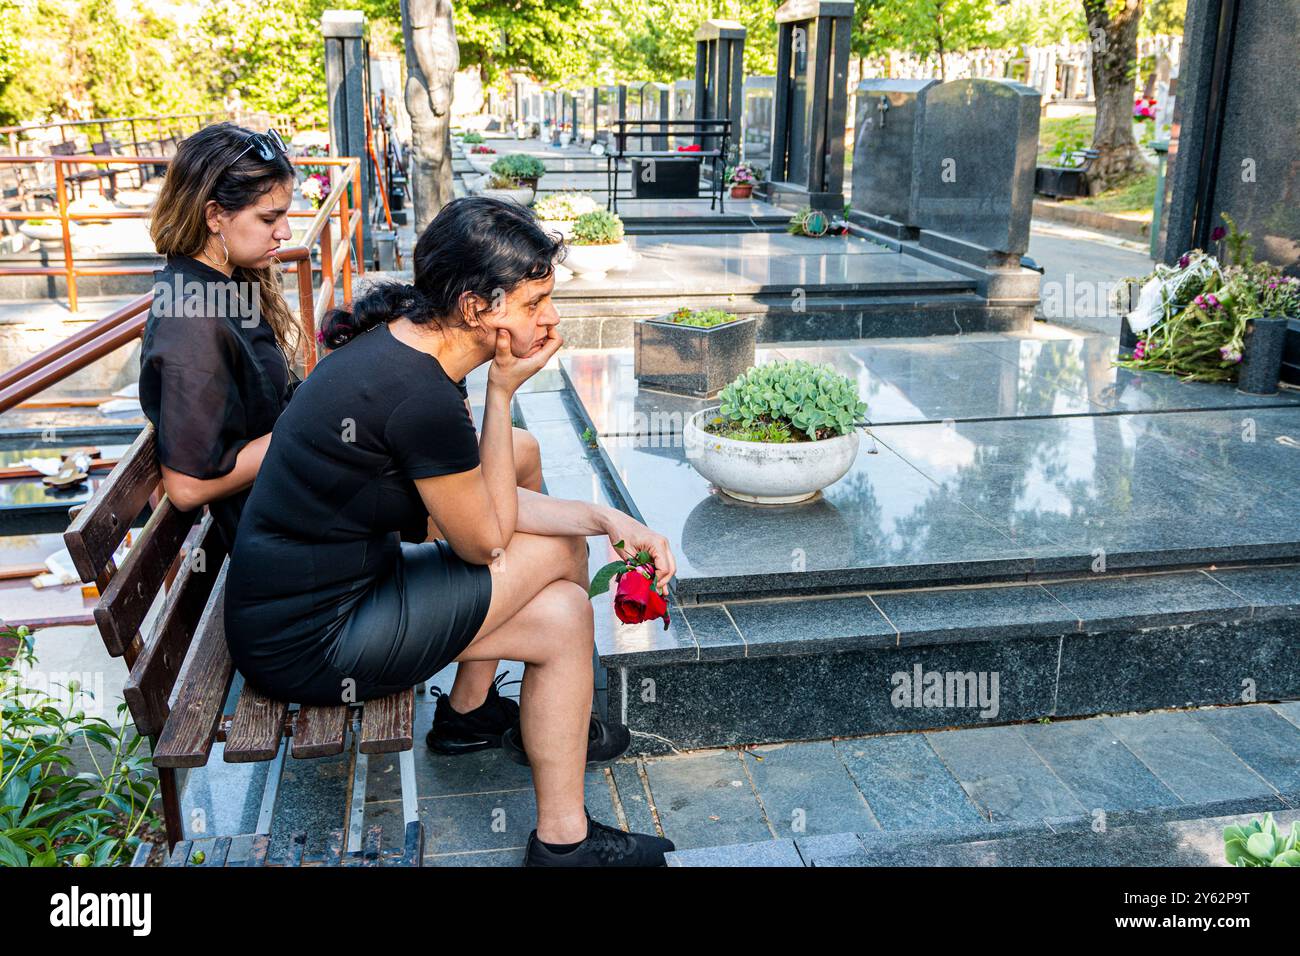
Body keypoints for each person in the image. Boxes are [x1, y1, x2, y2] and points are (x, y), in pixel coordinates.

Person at [224, 196, 679, 866]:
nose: (549, 318)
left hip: (315, 605)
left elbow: (480, 506)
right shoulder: (421, 395)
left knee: (559, 614)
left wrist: (608, 517)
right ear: (475, 308)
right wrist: (502, 394)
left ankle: (556, 827)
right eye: (533, 303)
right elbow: (484, 541)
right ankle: (503, 741)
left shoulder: (408, 347)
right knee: (558, 562)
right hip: (312, 639)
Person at [140, 123, 536, 746]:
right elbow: (187, 485)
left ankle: (475, 691)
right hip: (292, 541)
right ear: (214, 216)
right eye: (269, 218)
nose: (284, 233)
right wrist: (315, 429)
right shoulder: (191, 323)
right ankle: (479, 679)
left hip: (305, 514)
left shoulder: (219, 286)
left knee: (521, 455)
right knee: (501, 519)